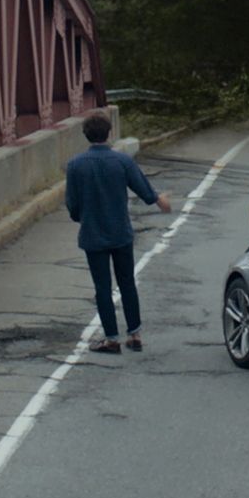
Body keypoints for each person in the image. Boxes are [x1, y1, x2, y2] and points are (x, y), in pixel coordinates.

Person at [64, 111, 170, 354]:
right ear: (109, 133)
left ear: (86, 135)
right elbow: (143, 188)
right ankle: (135, 334)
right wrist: (157, 199)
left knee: (102, 287)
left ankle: (111, 339)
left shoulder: (75, 165)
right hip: (120, 231)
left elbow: (72, 204)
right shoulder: (122, 161)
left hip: (93, 233)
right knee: (127, 282)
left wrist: (82, 217)